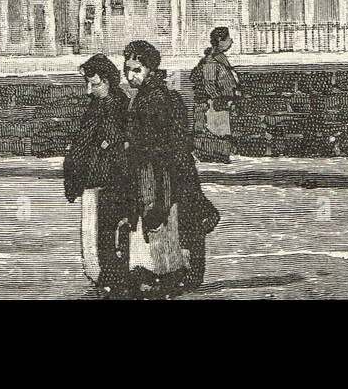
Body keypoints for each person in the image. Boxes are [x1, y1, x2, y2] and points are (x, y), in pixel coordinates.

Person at [124, 40, 220, 295]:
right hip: (166, 168)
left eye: (136, 70)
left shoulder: (156, 97)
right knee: (175, 222)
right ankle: (176, 273)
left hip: (167, 169)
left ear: (150, 69)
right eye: (128, 70)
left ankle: (177, 274)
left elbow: (165, 140)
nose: (131, 76)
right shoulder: (151, 95)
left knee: (173, 221)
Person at [63, 54, 131, 298]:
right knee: (97, 233)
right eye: (87, 84)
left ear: (109, 81)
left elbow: (111, 143)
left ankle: (112, 281)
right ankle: (106, 279)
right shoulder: (99, 104)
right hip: (94, 179)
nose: (88, 90)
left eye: (94, 84)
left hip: (107, 180)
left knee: (107, 233)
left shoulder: (115, 105)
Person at [190, 26, 239, 163]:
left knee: (221, 130)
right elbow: (209, 83)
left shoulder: (220, 59)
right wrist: (219, 99)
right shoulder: (211, 61)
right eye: (228, 38)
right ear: (220, 41)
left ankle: (219, 155)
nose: (231, 41)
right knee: (213, 130)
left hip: (220, 103)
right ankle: (211, 155)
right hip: (213, 104)